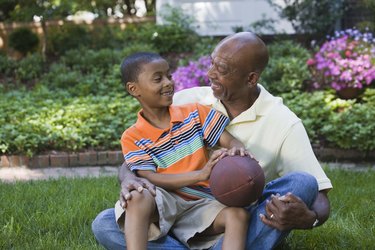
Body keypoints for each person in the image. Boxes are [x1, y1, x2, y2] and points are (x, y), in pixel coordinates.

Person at [92, 32, 333, 249]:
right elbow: (138, 159)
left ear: (250, 79)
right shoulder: (186, 101)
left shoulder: (284, 123)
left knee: (302, 182)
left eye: (223, 69)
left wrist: (309, 218)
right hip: (171, 205)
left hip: (224, 210)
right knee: (105, 223)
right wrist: (130, 179)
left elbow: (320, 196)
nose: (210, 74)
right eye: (212, 63)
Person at [115, 52, 252, 250]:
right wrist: (199, 174)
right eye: (157, 79)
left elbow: (228, 140)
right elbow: (150, 178)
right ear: (134, 89)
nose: (168, 83)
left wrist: (237, 148)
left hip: (203, 202)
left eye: (169, 76)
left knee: (238, 215)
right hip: (166, 200)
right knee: (136, 196)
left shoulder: (195, 113)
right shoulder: (132, 136)